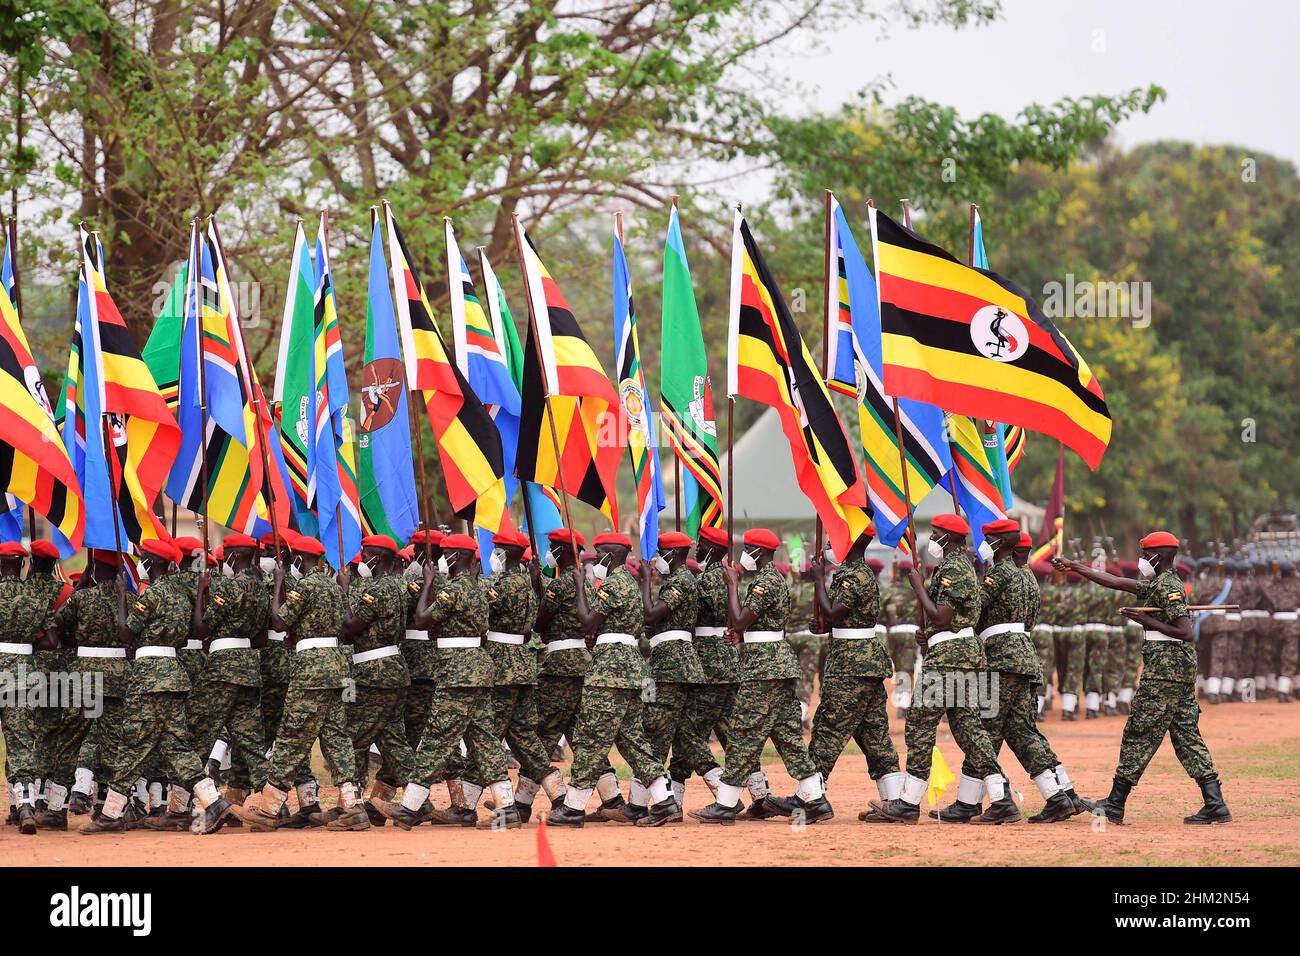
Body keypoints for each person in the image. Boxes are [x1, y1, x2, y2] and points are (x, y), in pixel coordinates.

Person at [1055, 531, 1232, 825]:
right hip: (1174, 670)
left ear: (1158, 556)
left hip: (1166, 671)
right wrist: (1076, 567)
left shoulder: (1168, 585)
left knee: (1139, 732)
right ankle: (1215, 804)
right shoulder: (1157, 583)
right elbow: (1116, 582)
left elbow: (1185, 632)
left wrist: (1145, 619)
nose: (1141, 560)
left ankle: (1114, 803)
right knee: (1186, 736)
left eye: (1145, 554)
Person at [932, 520, 1085, 824]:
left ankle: (972, 802)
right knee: (1019, 730)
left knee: (984, 728)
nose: (983, 542)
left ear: (1000, 544)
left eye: (988, 538)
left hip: (1001, 656)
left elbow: (973, 610)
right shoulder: (1027, 575)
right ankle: (1059, 795)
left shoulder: (999, 573)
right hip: (1022, 655)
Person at [866, 515, 1012, 825]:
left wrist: (919, 587)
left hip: (949, 659)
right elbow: (946, 620)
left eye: (936, 533)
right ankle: (1002, 797)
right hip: (960, 653)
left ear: (950, 537)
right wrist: (929, 632)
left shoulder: (953, 568)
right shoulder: (960, 565)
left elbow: (943, 616)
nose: (932, 538)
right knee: (968, 728)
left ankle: (907, 802)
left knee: (920, 721)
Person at [81, 539, 232, 834]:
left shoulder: (150, 597)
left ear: (151, 564)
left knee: (133, 744)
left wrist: (124, 597)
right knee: (178, 746)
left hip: (149, 676)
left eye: (145, 559)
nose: (142, 564)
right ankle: (214, 802)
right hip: (172, 675)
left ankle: (111, 813)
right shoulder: (179, 595)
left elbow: (126, 633)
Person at [373, 534, 520, 830]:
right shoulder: (478, 588)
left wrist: (428, 582)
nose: (442, 558)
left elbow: (422, 618)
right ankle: (508, 809)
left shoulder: (453, 590)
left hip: (458, 673)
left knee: (436, 739)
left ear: (457, 558)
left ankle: (409, 807)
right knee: (485, 741)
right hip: (476, 669)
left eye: (447, 554)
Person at [691, 528, 832, 825]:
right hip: (772, 664)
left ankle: (726, 803)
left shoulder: (764, 583)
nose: (743, 554)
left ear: (759, 552)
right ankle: (815, 798)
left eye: (747, 548)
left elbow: (740, 620)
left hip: (764, 668)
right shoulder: (770, 581)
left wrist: (732, 586)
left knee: (743, 731)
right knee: (787, 737)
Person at [548, 532, 680, 828]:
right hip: (629, 669)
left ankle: (573, 807)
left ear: (610, 556)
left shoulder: (613, 583)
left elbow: (587, 621)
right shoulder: (628, 583)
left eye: (597, 556)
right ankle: (664, 800)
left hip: (610, 671)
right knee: (633, 739)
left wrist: (582, 587)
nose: (594, 562)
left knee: (590, 738)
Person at [233, 536, 365, 830]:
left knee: (292, 736)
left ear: (297, 559)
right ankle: (353, 805)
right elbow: (346, 625)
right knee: (337, 737)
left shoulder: (304, 587)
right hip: (335, 665)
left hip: (312, 670)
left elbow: (280, 622)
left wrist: (279, 583)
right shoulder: (332, 586)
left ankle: (269, 808)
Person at [775, 527, 903, 814]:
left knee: (828, 728)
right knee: (874, 734)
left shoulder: (852, 575)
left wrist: (820, 579)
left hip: (852, 665)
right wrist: (824, 625)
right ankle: (895, 800)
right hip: (861, 661)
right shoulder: (856, 573)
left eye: (836, 539)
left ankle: (809, 797)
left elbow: (833, 613)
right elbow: (838, 618)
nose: (831, 544)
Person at [179, 534, 272, 830]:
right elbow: (261, 635)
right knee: (252, 742)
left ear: (232, 557)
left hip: (223, 667)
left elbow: (202, 626)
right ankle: (272, 804)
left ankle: (195, 804)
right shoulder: (260, 588)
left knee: (197, 733)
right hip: (248, 667)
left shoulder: (230, 586)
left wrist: (201, 594)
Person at [479, 528, 566, 822]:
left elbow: (479, 614)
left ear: (506, 553)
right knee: (524, 737)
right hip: (523, 666)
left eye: (498, 549)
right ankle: (559, 794)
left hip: (502, 667)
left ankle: (500, 805)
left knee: (487, 733)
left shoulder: (503, 585)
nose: (494, 554)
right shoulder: (528, 585)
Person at [40, 550, 129, 829]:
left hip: (84, 675)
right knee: (114, 744)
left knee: (69, 742)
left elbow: (59, 625)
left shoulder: (81, 598)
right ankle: (112, 809)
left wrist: (80, 586)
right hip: (117, 675)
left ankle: (56, 810)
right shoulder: (127, 599)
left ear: (92, 569)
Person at [341, 535, 415, 825]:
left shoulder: (378, 590)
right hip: (389, 670)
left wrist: (346, 592)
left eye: (366, 555)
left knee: (355, 738)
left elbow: (349, 628)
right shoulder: (394, 586)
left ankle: (352, 807)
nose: (362, 561)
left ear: (377, 558)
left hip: (375, 673)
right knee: (393, 741)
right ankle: (418, 800)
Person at [667, 526, 739, 804]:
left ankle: (723, 793)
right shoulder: (723, 577)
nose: (697, 549)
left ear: (713, 549)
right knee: (728, 731)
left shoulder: (707, 580)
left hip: (709, 662)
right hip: (727, 661)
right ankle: (760, 793)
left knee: (689, 730)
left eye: (703, 544)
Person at [639, 530, 704, 809]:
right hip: (668, 663)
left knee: (654, 732)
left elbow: (652, 615)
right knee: (684, 736)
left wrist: (644, 584)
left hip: (672, 666)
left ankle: (645, 802)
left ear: (674, 554)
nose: (657, 560)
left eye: (661, 554)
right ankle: (725, 795)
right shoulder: (676, 580)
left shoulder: (680, 580)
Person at [534, 528, 592, 767]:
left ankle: (521, 800)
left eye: (553, 547)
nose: (550, 553)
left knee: (546, 729)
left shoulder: (560, 584)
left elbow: (540, 621)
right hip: (580, 660)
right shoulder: (584, 583)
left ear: (564, 551)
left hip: (561, 665)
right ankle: (611, 794)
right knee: (577, 732)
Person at [0, 543, 46, 834]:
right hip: (21, 675)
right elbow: (52, 641)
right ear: (23, 566)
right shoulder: (35, 596)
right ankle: (26, 805)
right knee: (20, 743)